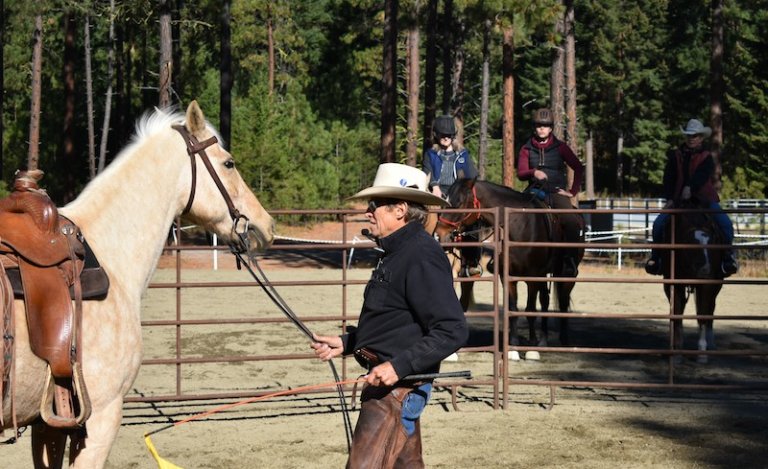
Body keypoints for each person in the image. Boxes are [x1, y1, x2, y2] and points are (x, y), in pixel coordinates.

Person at [311, 163, 468, 468]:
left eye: (376, 205)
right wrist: (349, 342)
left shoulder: (421, 255)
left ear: (400, 210)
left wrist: (398, 367)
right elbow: (396, 319)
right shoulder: (397, 252)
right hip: (387, 387)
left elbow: (452, 329)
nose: (369, 211)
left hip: (396, 391)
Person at [645, 118, 738, 276]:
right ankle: (657, 258)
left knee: (726, 224)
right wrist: (669, 198)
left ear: (701, 137)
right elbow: (669, 178)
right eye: (689, 135)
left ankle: (727, 258)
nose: (691, 138)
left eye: (694, 135)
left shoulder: (707, 157)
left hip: (704, 200)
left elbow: (702, 175)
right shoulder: (675, 156)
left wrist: (690, 187)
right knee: (659, 224)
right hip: (678, 201)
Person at [517, 107, 585, 277]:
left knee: (571, 221)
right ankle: (509, 257)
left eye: (545, 125)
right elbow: (520, 173)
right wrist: (534, 172)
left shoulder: (561, 147)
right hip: (533, 191)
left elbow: (578, 167)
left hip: (556, 192)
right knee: (514, 216)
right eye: (539, 125)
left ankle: (569, 260)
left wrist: (572, 191)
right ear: (534, 127)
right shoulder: (526, 148)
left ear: (551, 128)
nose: (542, 128)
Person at [423, 114, 482, 277]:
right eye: (442, 135)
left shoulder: (462, 155)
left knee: (473, 218)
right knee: (426, 216)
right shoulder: (431, 154)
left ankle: (472, 262)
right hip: (437, 194)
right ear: (436, 135)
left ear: (453, 136)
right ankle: (424, 254)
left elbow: (472, 177)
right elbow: (426, 172)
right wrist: (434, 185)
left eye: (448, 135)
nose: (445, 138)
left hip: (458, 196)